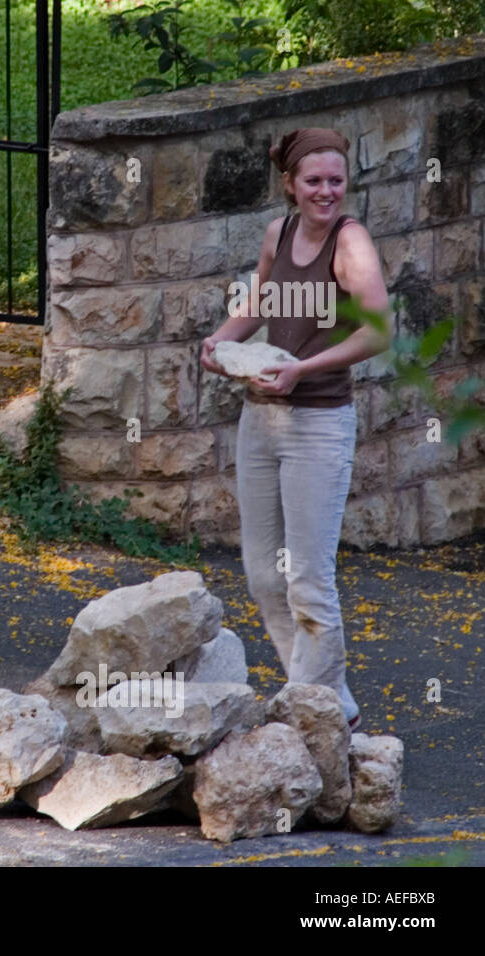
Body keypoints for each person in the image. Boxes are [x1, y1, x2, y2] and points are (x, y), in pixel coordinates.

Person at [200, 127, 392, 731]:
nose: (327, 191)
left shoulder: (350, 242)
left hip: (319, 422)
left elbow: (378, 331)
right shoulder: (278, 233)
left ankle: (315, 715)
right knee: (263, 574)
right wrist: (221, 341)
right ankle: (323, 701)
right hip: (262, 419)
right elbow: (260, 300)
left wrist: (301, 369)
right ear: (290, 185)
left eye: (336, 180)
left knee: (307, 578)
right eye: (314, 181)